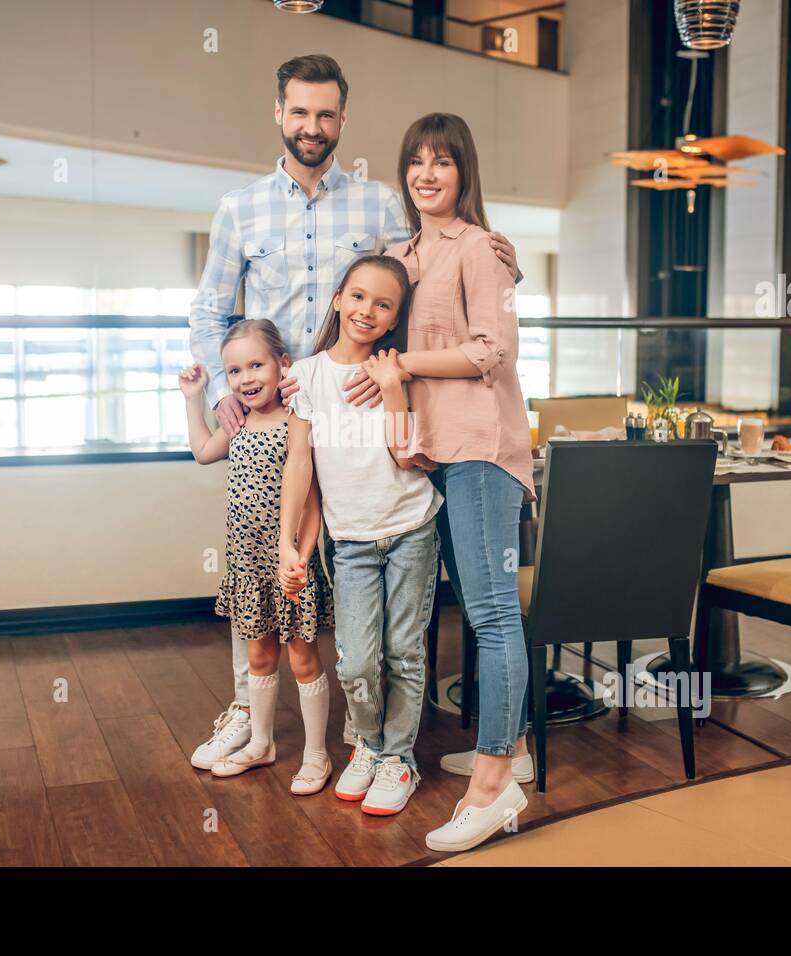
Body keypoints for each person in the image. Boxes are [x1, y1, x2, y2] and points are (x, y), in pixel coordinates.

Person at [187, 53, 519, 768]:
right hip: (272, 420)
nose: (312, 126)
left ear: (343, 119)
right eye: (299, 112)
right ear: (279, 114)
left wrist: (502, 255)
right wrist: (222, 394)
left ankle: (357, 733)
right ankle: (251, 717)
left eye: (326, 113)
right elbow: (210, 310)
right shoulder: (238, 208)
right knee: (263, 568)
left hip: (363, 411)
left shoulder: (378, 205)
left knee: (352, 557)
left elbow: (430, 260)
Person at [349, 113, 537, 852]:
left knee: (492, 616)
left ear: (464, 173)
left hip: (481, 447)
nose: (428, 174)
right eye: (417, 162)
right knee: (478, 611)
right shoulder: (402, 253)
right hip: (435, 448)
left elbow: (494, 347)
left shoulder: (481, 249)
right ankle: (514, 746)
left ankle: (493, 786)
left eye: (444, 162)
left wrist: (404, 368)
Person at [279, 255, 442, 816]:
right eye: (357, 296)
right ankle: (367, 746)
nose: (366, 310)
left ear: (395, 318)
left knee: (403, 652)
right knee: (354, 660)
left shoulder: (398, 370)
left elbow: (407, 453)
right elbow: (299, 465)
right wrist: (287, 544)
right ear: (337, 300)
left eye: (383, 304)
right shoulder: (307, 376)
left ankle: (398, 759)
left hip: (411, 529)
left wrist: (392, 384)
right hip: (348, 541)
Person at [178, 319, 334, 795]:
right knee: (259, 656)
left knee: (303, 659)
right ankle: (261, 744)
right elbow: (204, 451)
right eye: (234, 371)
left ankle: (316, 755)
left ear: (283, 365)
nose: (246, 378)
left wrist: (300, 560)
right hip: (247, 566)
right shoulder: (239, 421)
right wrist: (193, 397)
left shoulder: (298, 423)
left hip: (289, 566)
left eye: (256, 365)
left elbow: (312, 503)